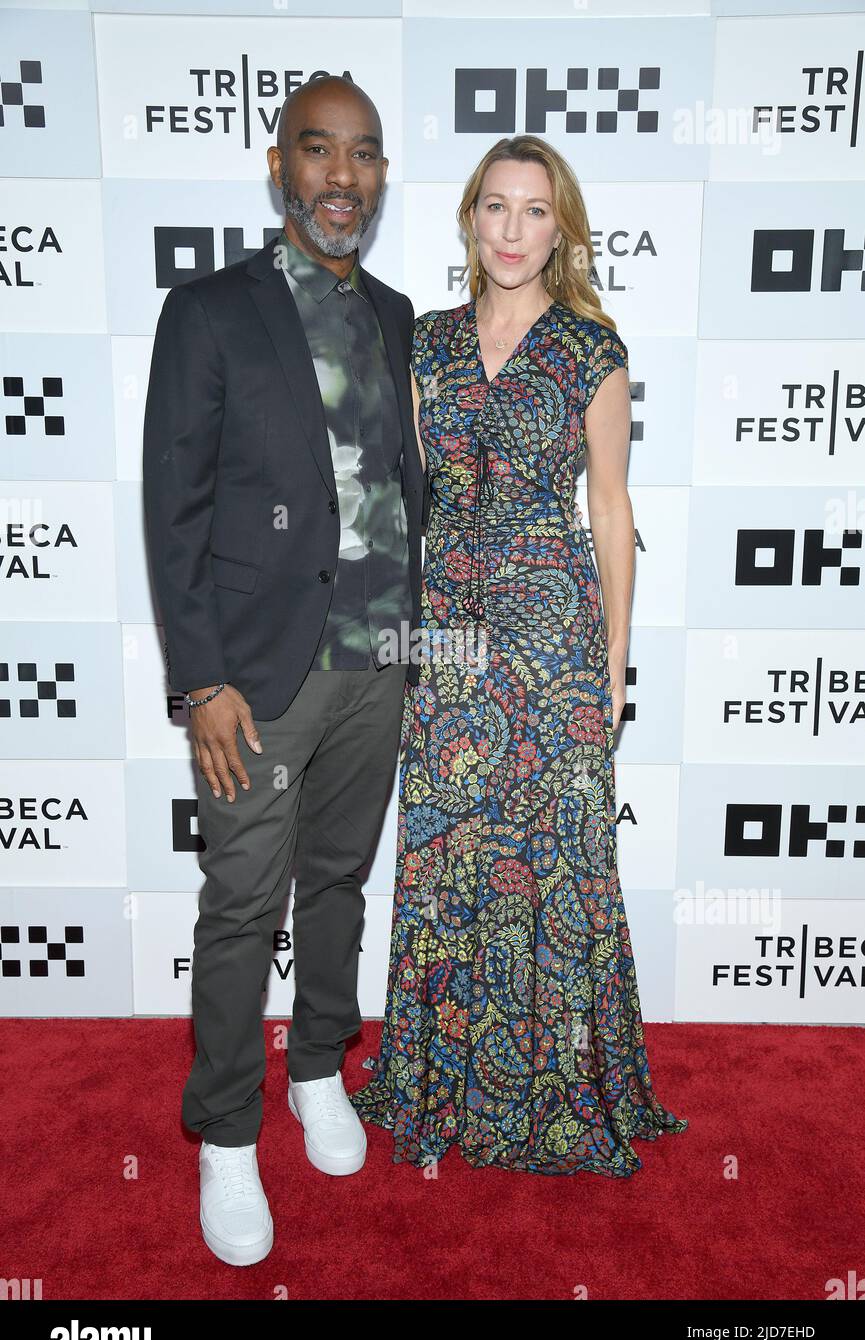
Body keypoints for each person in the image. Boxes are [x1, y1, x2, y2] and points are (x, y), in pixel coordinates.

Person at [349, 135, 688, 1177]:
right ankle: (438, 1079)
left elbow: (610, 504)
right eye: (493, 206)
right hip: (443, 630)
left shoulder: (592, 350)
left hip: (554, 641)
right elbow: (399, 501)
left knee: (556, 859)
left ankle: (561, 1091)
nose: (510, 228)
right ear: (467, 216)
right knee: (447, 850)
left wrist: (618, 655)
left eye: (533, 210)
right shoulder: (426, 343)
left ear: (561, 227)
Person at [142, 75, 428, 1265]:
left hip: (380, 663)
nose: (342, 177)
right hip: (255, 679)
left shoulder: (399, 314)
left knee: (340, 883)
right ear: (279, 165)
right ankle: (222, 1134)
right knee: (242, 902)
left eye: (362, 156)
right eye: (319, 151)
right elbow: (175, 506)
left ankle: (318, 1068)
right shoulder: (210, 310)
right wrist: (201, 679)